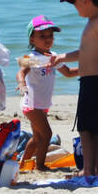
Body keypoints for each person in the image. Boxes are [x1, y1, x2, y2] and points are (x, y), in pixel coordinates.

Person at [50, 0, 98, 177]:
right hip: (91, 81)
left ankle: (89, 171)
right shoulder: (93, 23)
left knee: (87, 130)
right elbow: (86, 53)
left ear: (87, 0)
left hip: (96, 82)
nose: (75, 7)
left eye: (75, 2)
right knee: (93, 130)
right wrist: (63, 57)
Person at [15, 16, 78, 171]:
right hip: (32, 104)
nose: (47, 39)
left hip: (42, 105)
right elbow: (20, 73)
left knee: (37, 138)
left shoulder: (54, 56)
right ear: (32, 39)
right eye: (42, 36)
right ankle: (40, 166)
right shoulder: (31, 57)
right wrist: (22, 83)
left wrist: (88, 69)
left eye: (50, 36)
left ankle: (23, 164)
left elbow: (68, 72)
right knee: (47, 134)